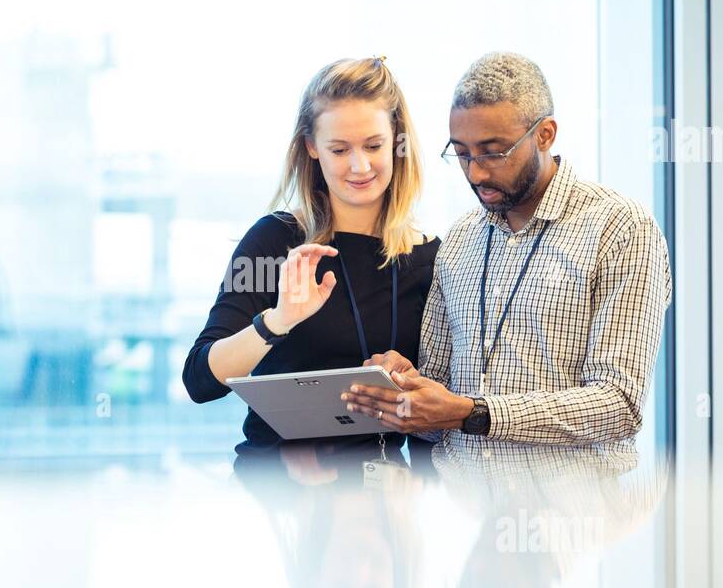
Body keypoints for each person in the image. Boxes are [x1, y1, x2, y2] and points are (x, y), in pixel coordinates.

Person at [341, 51, 672, 449]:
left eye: (494, 151)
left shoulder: (620, 229)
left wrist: (473, 413)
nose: (476, 172)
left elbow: (620, 404)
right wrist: (407, 388)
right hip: (462, 506)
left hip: (573, 509)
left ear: (545, 134)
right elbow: (438, 405)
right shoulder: (460, 239)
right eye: (461, 153)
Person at [181, 56, 439, 454]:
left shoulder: (428, 256)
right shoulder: (274, 241)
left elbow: (441, 412)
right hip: (279, 488)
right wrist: (276, 323)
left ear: (397, 142)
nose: (359, 165)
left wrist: (410, 379)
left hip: (381, 498)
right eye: (339, 149)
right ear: (311, 147)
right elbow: (199, 380)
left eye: (374, 145)